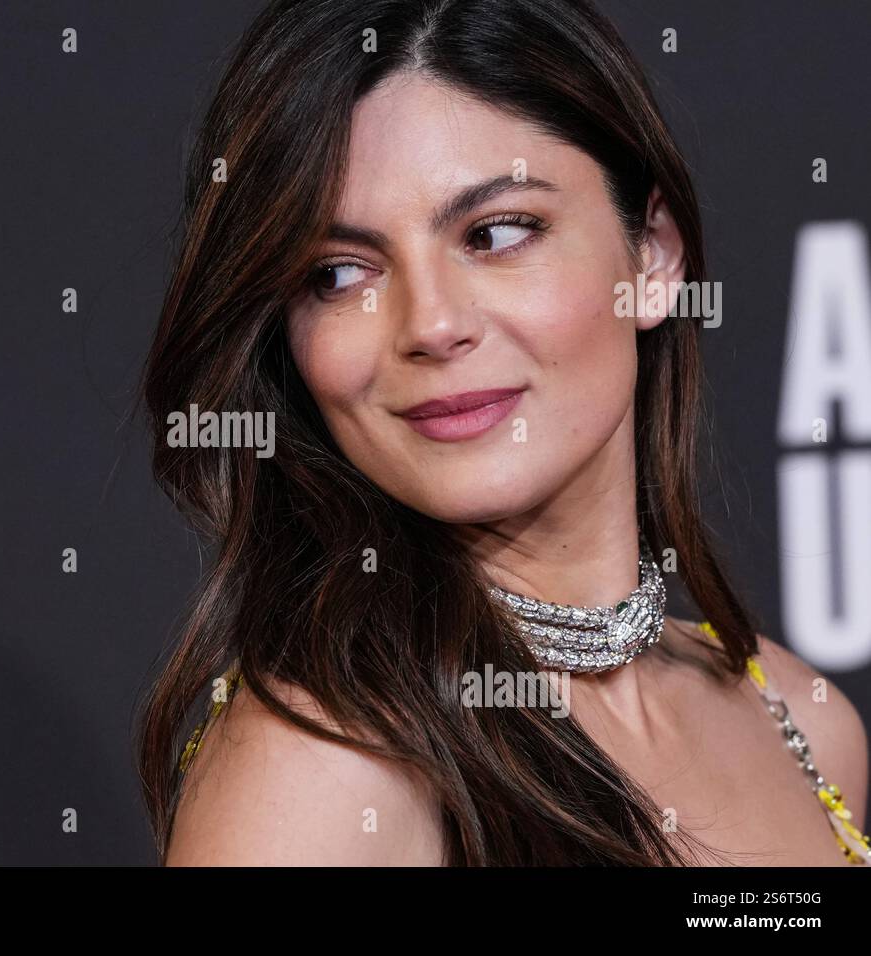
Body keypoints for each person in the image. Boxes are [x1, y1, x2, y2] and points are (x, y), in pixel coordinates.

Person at [136, 0, 869, 865]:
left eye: (496, 233)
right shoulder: (323, 770)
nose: (431, 324)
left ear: (654, 257)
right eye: (338, 273)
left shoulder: (801, 719)